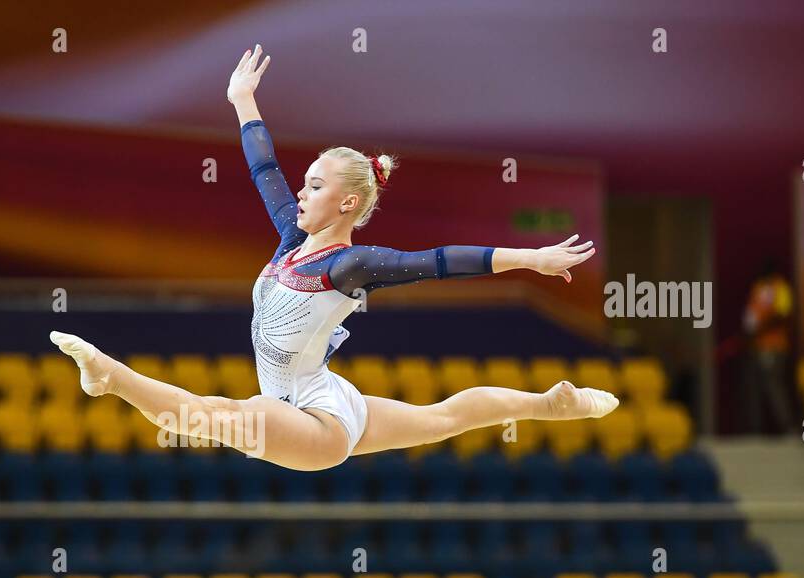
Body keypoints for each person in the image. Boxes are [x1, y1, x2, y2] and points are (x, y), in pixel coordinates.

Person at [50, 44, 616, 473]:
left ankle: (110, 376)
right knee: (445, 416)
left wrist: (531, 258)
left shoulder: (348, 266)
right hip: (317, 393)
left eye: (314, 186)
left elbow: (440, 260)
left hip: (315, 424)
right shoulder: (292, 242)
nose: (299, 192)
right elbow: (264, 170)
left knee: (209, 415)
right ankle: (547, 406)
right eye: (305, 182)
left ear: (346, 202)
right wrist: (242, 101)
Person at [742, 260, 794, 434]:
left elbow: (783, 314)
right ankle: (753, 430)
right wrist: (750, 330)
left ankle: (786, 427)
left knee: (774, 386)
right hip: (756, 346)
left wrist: (762, 328)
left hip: (775, 346)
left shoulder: (781, 288)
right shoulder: (758, 286)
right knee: (753, 388)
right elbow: (751, 313)